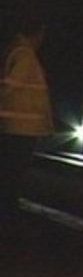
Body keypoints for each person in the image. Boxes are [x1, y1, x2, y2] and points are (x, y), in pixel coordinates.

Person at [0, 19, 53, 226]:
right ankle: (9, 214)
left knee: (10, 171)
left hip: (15, 125)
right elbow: (9, 86)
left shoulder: (14, 51)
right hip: (21, 126)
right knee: (14, 172)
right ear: (38, 33)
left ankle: (8, 211)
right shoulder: (24, 54)